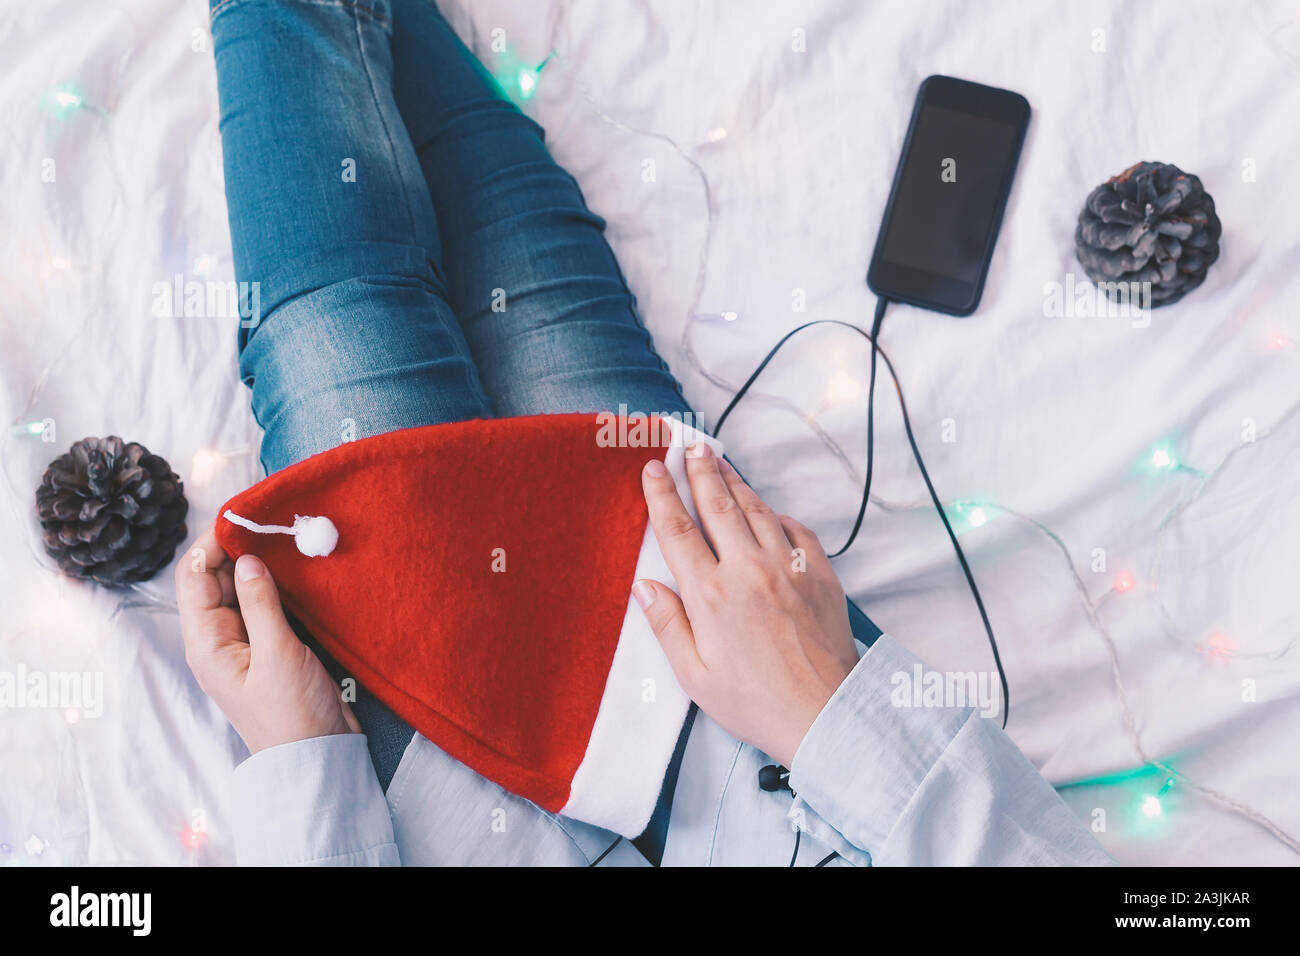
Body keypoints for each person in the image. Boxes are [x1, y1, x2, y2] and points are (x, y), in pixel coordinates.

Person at [176, 0, 1112, 866]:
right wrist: (826, 709)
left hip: (447, 817)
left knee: (343, 323)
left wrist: (305, 778)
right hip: (764, 740)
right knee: (542, 295)